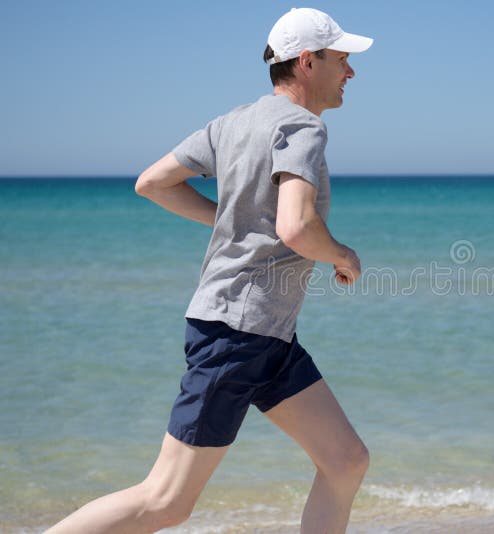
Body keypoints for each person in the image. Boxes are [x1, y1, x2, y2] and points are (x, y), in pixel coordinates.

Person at [46, 7, 373, 534]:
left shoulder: (233, 122)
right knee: (166, 501)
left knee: (346, 460)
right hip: (237, 336)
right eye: (342, 59)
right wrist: (341, 254)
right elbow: (296, 227)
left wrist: (228, 221)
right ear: (308, 62)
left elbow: (152, 182)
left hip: (266, 335)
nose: (351, 72)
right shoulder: (303, 128)